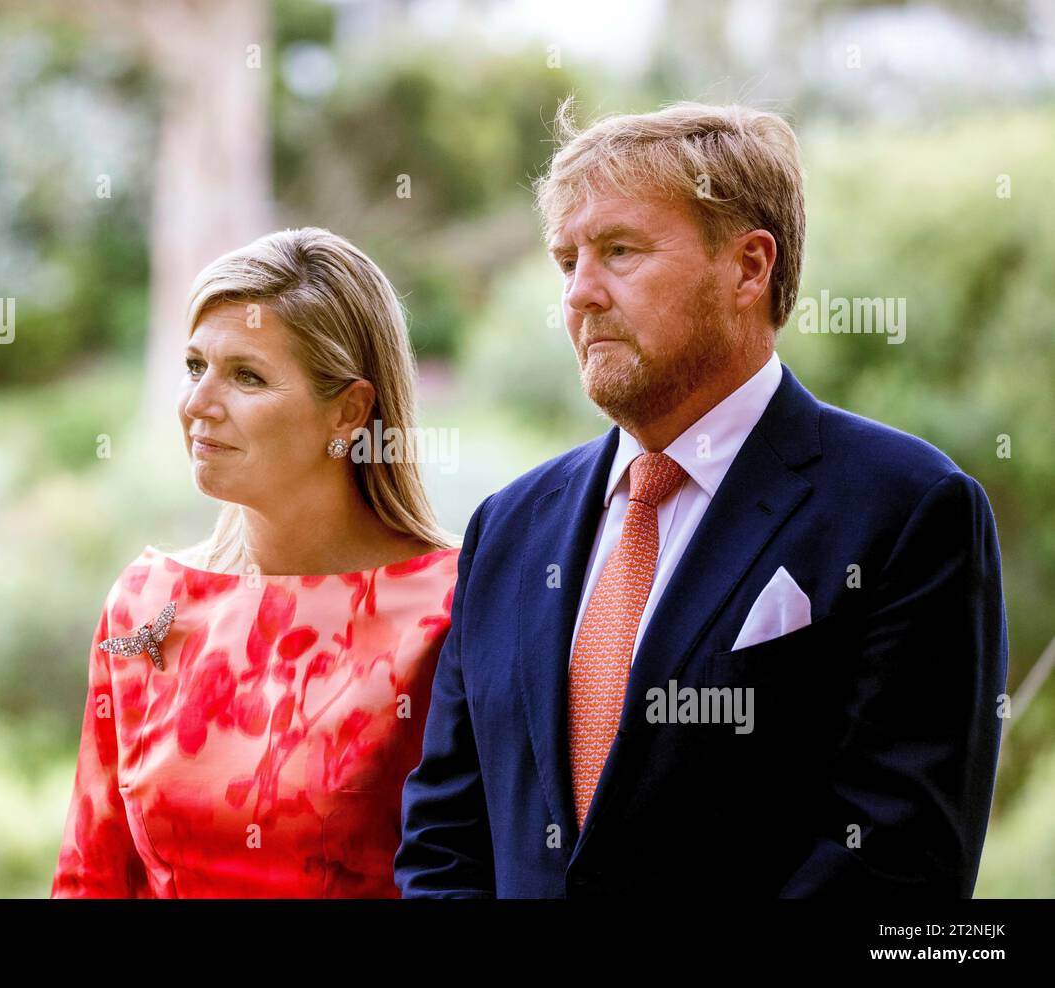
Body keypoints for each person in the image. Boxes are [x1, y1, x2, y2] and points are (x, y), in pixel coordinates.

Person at [395, 101, 1007, 898]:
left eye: (619, 251)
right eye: (566, 261)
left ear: (750, 267)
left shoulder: (911, 512)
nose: (579, 294)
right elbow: (444, 837)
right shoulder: (507, 528)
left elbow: (895, 863)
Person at [52, 227, 459, 897]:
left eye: (246, 376)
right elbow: (91, 876)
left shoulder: (451, 608)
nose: (196, 406)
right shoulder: (147, 602)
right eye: (193, 367)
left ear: (349, 413)